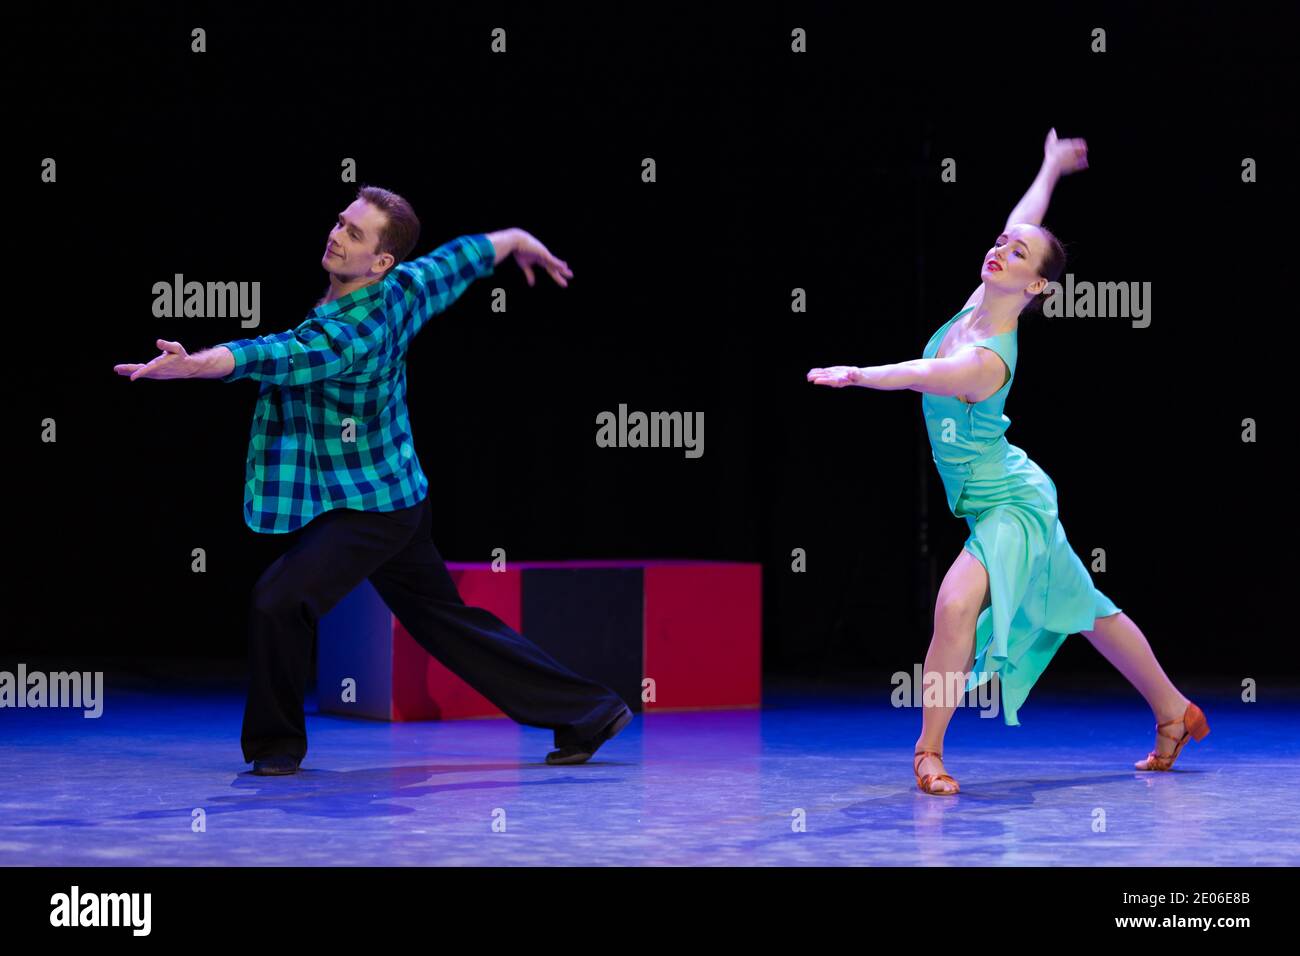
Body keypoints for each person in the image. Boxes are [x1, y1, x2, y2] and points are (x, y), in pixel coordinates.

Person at [114, 185, 632, 775]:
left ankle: (276, 750)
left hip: (372, 509)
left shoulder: (351, 334)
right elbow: (457, 259)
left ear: (380, 261)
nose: (336, 235)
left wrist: (192, 366)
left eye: (353, 234)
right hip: (394, 489)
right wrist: (513, 241)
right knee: (448, 625)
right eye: (340, 222)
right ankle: (590, 712)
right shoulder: (405, 286)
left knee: (279, 599)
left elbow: (275, 354)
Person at [807, 130, 1209, 795]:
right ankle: (1175, 712)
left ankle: (927, 753)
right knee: (1088, 609)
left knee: (955, 604)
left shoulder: (987, 356)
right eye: (1000, 245)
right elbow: (1023, 219)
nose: (1001, 250)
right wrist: (1050, 166)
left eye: (1016, 253)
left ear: (1038, 287)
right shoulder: (976, 305)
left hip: (1010, 505)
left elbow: (921, 374)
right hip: (1014, 485)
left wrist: (857, 374)